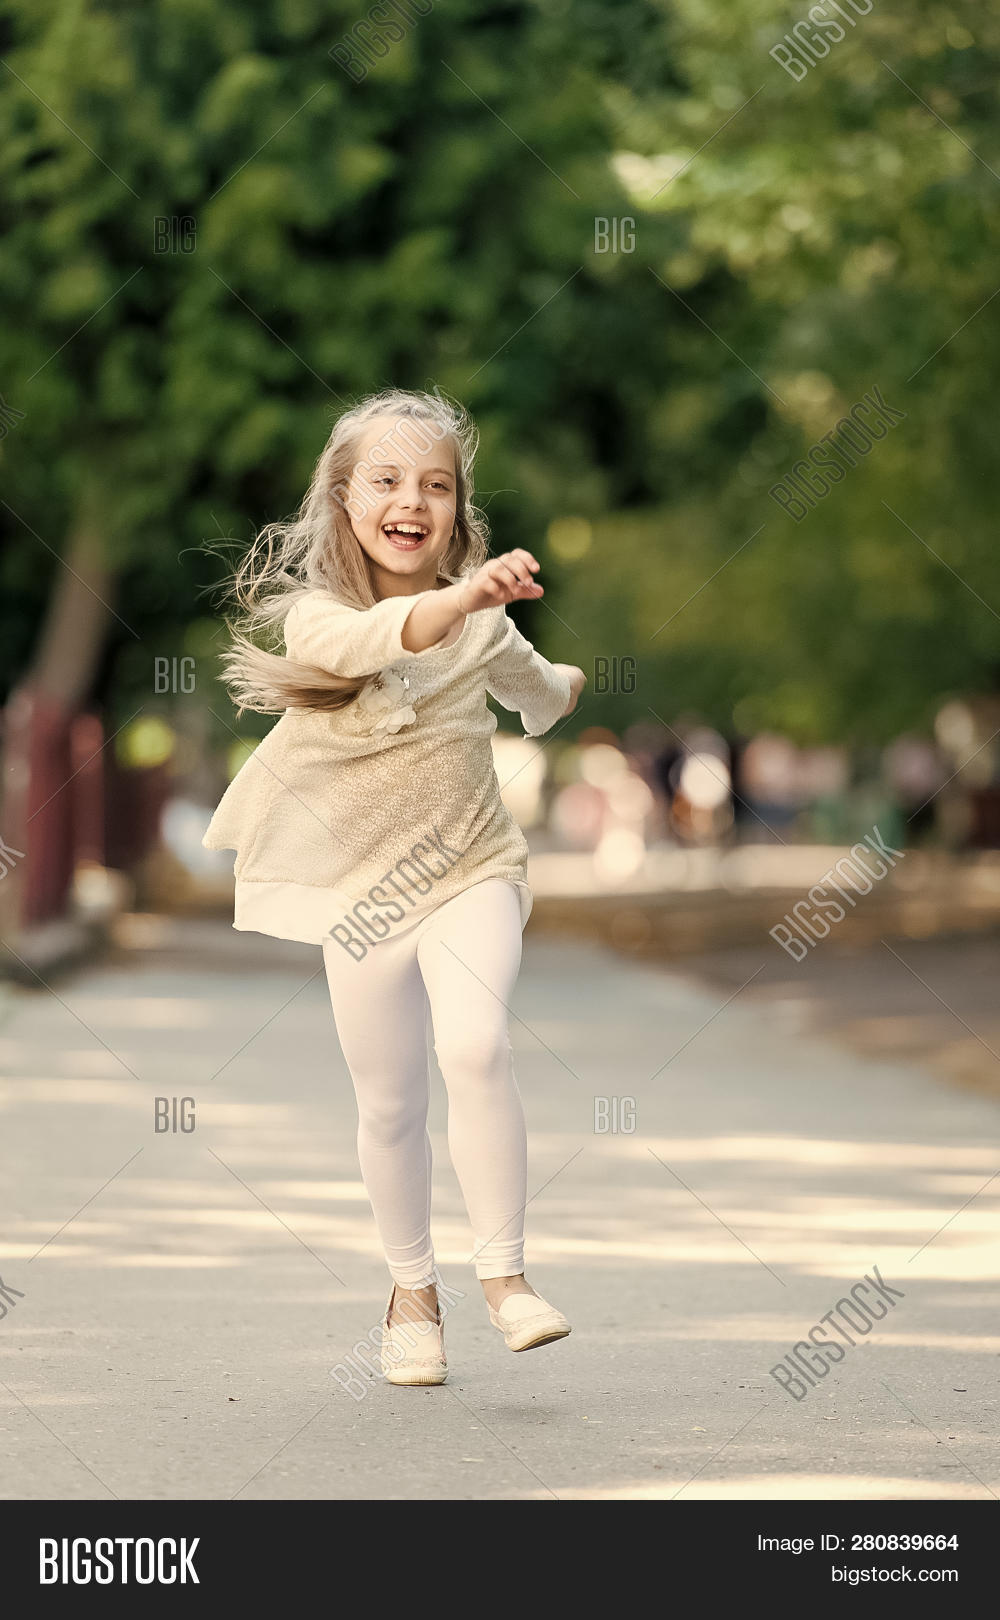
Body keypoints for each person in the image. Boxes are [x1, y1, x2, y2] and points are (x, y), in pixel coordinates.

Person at [203, 388, 586, 1386]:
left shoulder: (485, 627)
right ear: (342, 500)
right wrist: (458, 602)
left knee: (475, 1042)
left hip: (472, 869)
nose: (412, 499)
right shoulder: (315, 618)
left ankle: (503, 1278)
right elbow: (371, 643)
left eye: (437, 485)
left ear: (458, 509)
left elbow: (537, 693)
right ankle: (411, 1295)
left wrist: (562, 686)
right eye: (385, 480)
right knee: (388, 1104)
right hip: (358, 892)